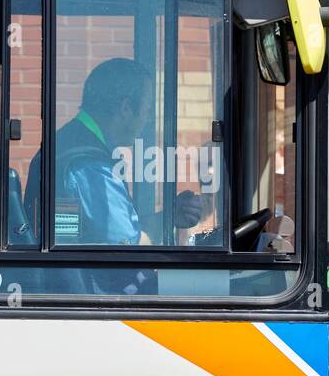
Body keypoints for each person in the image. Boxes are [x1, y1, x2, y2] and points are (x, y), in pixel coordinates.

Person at [23, 57, 201, 246]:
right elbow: (129, 246)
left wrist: (168, 218)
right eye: (147, 109)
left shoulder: (72, 145)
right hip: (82, 275)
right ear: (126, 108)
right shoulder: (90, 166)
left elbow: (122, 230)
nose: (147, 120)